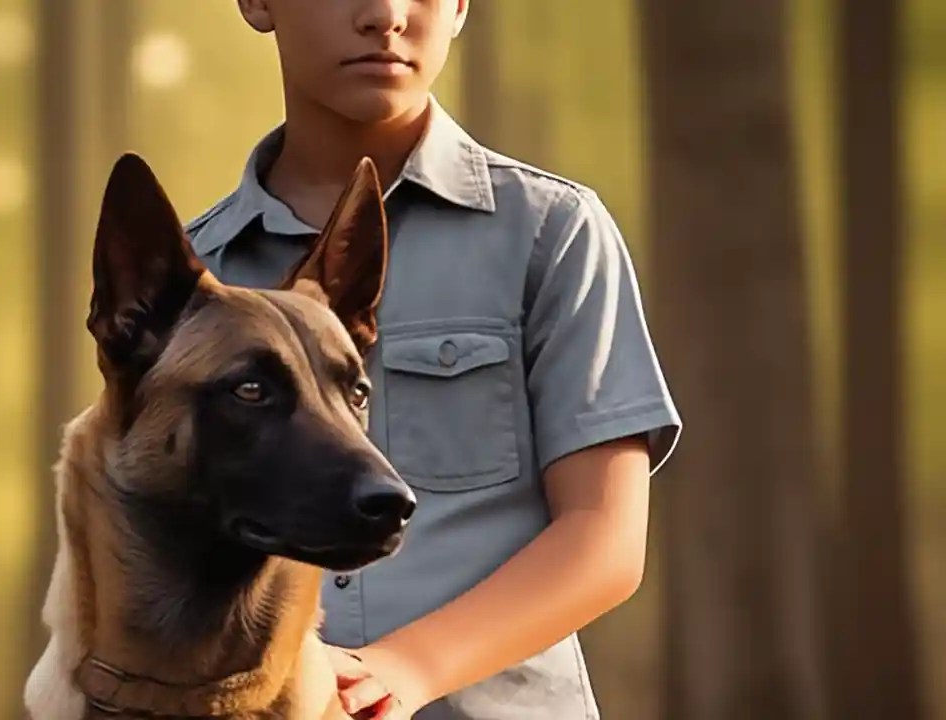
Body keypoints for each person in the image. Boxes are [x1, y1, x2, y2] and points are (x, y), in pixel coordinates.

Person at [185, 1, 683, 718]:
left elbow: (603, 540)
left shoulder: (551, 234)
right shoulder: (194, 276)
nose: (385, 14)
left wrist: (399, 669)